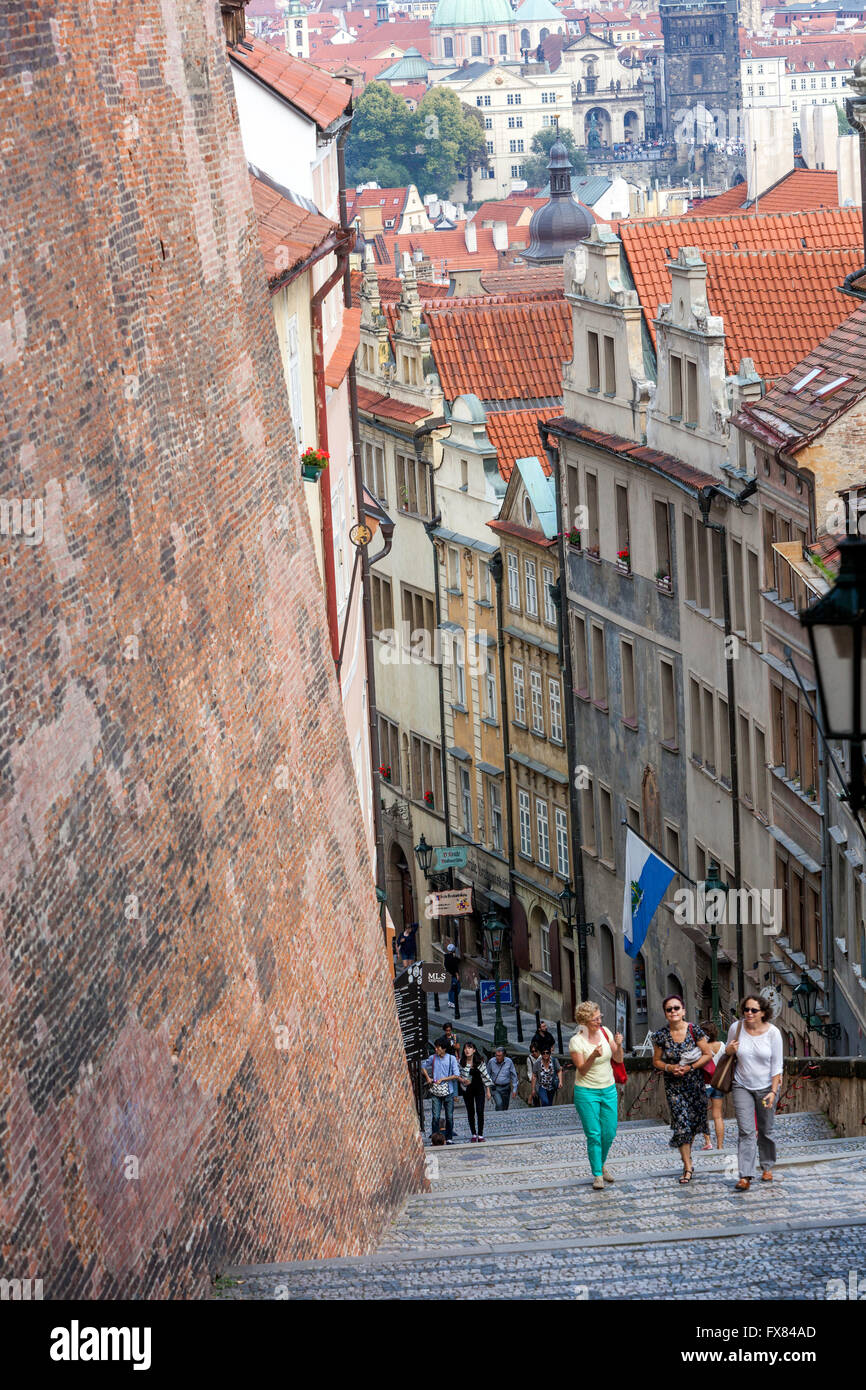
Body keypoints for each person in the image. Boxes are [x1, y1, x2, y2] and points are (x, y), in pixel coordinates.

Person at [651, 995, 715, 1183]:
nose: (673, 1012)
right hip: (674, 1087)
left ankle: (688, 1156)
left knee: (693, 1124)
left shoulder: (694, 1030)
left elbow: (707, 1054)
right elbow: (656, 1061)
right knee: (681, 1125)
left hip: (695, 1084)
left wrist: (690, 1067)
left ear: (683, 1011)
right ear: (665, 1013)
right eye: (669, 1009)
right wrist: (670, 1068)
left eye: (676, 1008)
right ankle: (687, 1166)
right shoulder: (660, 1036)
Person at [725, 994, 784, 1191]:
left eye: (754, 1010)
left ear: (764, 1013)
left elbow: (777, 1066)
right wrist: (729, 1050)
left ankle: (767, 1166)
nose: (748, 1013)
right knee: (746, 1131)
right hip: (741, 1085)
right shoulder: (736, 1028)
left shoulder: (773, 1033)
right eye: (746, 1009)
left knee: (766, 1130)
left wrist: (773, 1092)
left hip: (767, 1087)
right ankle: (745, 1175)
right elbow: (727, 1054)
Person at [570, 999, 622, 1191]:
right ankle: (598, 1175)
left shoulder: (605, 1032)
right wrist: (593, 1055)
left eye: (600, 1017)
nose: (599, 1021)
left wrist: (618, 1045)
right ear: (585, 1022)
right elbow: (582, 1070)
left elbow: (618, 1058)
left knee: (609, 1132)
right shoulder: (576, 1041)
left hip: (608, 1089)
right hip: (586, 1092)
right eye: (595, 1019)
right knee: (594, 1134)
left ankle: (600, 1164)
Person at [421, 1037, 461, 1144]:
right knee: (436, 1116)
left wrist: (443, 1079)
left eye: (438, 1047)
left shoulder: (451, 1059)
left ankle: (448, 1138)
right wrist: (428, 1078)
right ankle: (435, 1138)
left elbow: (456, 1075)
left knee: (449, 1116)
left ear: (444, 1048)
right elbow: (423, 1066)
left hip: (448, 1091)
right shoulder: (433, 1058)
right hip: (436, 1091)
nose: (436, 1049)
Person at [698, 1020, 726, 1151]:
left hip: (705, 1083)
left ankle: (708, 1141)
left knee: (702, 1114)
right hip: (718, 1084)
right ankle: (720, 1145)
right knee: (718, 1115)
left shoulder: (702, 1048)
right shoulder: (722, 1045)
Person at [458, 1041, 493, 1142]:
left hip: (479, 1089)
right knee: (470, 1112)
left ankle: (480, 1134)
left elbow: (485, 1076)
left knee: (480, 1111)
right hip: (467, 1090)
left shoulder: (480, 1061)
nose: (467, 1050)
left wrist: (488, 1091)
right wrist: (463, 1080)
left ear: (474, 1050)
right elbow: (458, 1076)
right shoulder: (461, 1062)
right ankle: (473, 1133)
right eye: (465, 1048)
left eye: (469, 1048)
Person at [444, 942, 461, 1009]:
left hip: (448, 975)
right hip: (453, 975)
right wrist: (457, 975)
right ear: (454, 950)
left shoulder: (446, 957)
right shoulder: (453, 959)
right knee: (457, 988)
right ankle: (452, 1001)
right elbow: (455, 967)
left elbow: (446, 966)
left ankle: (450, 1001)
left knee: (450, 989)